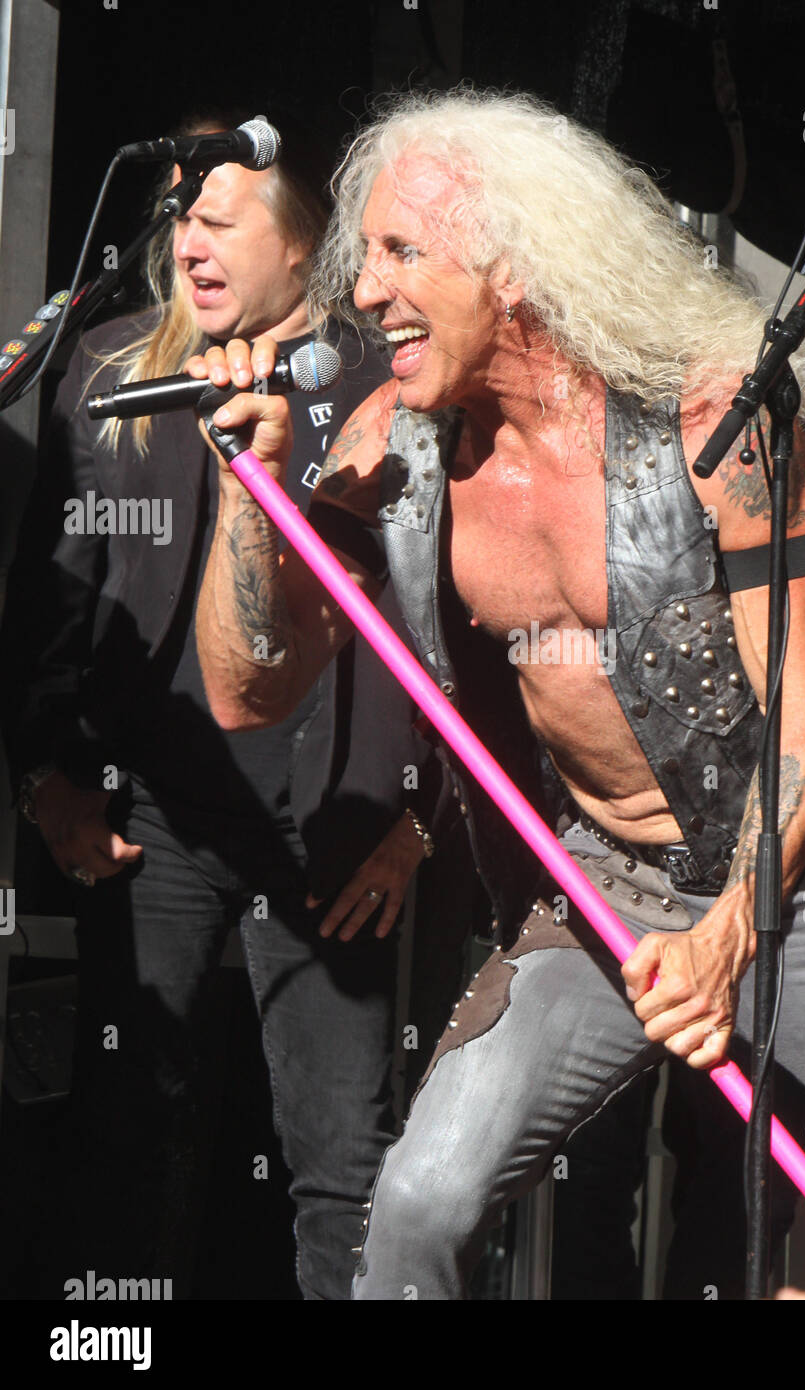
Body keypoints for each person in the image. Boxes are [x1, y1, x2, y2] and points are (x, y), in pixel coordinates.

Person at [189, 90, 805, 1300]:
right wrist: (246, 504)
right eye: (368, 257)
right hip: (605, 891)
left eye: (404, 252)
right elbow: (246, 692)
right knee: (415, 1208)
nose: (365, 292)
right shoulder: (394, 441)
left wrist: (734, 928)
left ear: (514, 261)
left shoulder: (715, 409)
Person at [0, 109, 458, 1300]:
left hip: (335, 826)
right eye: (181, 222)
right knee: (123, 1122)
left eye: (221, 220)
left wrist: (420, 820)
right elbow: (50, 613)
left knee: (340, 1153)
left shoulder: (390, 390)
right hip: (153, 820)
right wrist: (42, 780)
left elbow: (446, 631)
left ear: (306, 244)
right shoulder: (108, 372)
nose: (191, 243)